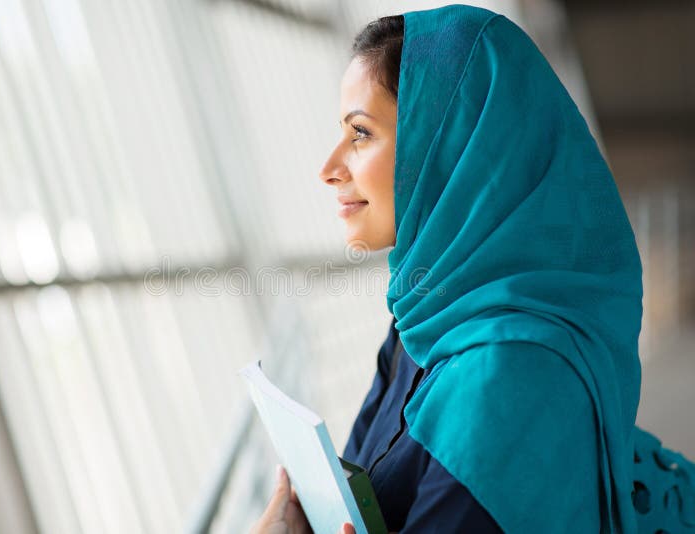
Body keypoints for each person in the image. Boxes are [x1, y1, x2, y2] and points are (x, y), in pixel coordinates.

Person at [251, 4, 694, 533]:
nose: (328, 169)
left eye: (361, 134)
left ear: (448, 146)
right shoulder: (422, 323)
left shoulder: (511, 374)